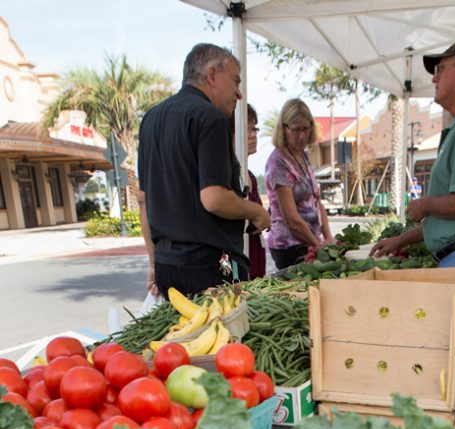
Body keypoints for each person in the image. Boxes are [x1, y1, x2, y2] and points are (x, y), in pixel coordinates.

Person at [137, 43, 271, 299]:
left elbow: (143, 201)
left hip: (168, 265)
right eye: (235, 81)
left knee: (184, 336)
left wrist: (153, 263)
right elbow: (214, 198)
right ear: (212, 75)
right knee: (228, 333)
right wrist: (256, 211)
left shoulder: (151, 119)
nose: (239, 93)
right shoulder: (210, 118)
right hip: (214, 264)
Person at [370, 39, 455, 268]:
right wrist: (401, 240)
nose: (434, 78)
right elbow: (453, 224)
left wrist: (425, 205)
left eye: (440, 69)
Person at [264, 98, 335, 270]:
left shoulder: (302, 155)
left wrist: (328, 238)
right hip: (290, 246)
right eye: (296, 130)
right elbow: (292, 221)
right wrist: (318, 246)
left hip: (309, 242)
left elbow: (316, 200)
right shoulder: (278, 162)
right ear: (284, 129)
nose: (302, 135)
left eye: (305, 128)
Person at [244, 104, 267, 279]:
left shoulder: (251, 176)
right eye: (247, 129)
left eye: (255, 129)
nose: (253, 135)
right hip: (237, 261)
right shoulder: (226, 177)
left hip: (256, 255)